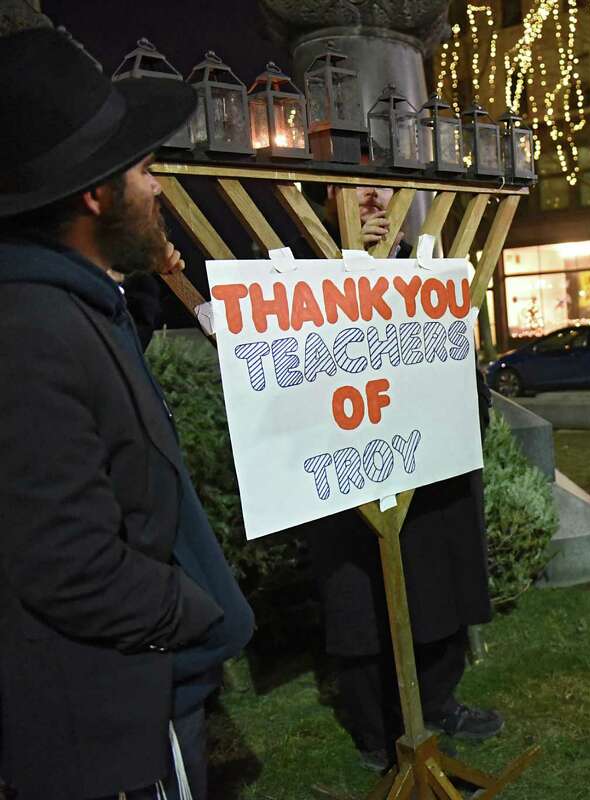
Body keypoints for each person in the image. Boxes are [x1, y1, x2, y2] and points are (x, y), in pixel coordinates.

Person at [0, 27, 252, 799]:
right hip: (116, 721)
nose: (160, 188)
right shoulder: (28, 336)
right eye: (145, 171)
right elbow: (68, 564)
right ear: (95, 193)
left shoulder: (74, 304)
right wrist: (189, 612)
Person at [297, 183, 502, 771]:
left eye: (384, 193)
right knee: (362, 601)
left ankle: (437, 700)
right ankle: (376, 728)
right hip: (353, 472)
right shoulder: (298, 276)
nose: (375, 205)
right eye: (358, 193)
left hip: (433, 460)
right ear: (325, 199)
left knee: (440, 586)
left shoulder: (425, 265)